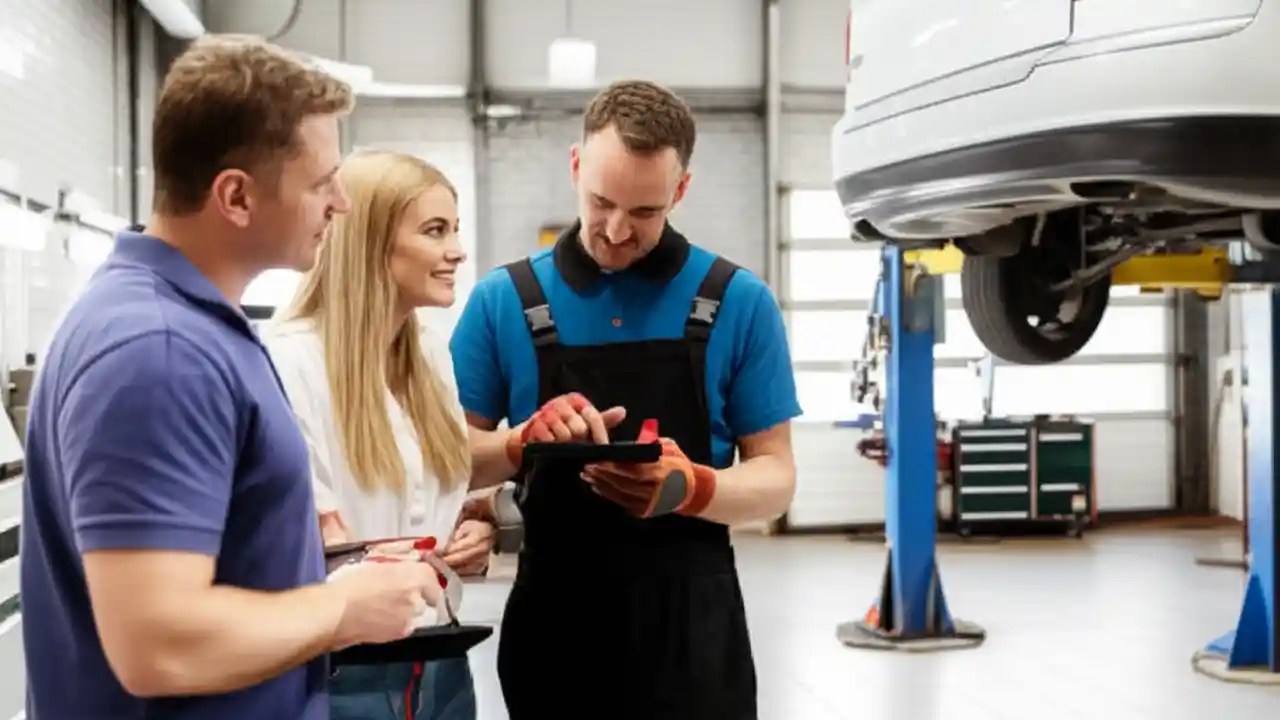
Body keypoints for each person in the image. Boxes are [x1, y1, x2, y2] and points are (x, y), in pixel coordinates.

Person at [19, 35, 443, 720]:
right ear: (237, 196)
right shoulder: (157, 352)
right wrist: (343, 608)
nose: (341, 201)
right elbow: (161, 646)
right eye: (320, 181)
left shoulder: (197, 327)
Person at [449, 79, 803, 719]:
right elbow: (450, 464)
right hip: (555, 627)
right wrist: (495, 480)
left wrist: (692, 488)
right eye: (601, 201)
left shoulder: (738, 301)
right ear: (576, 164)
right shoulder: (502, 302)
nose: (615, 231)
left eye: (645, 212)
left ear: (681, 190)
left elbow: (776, 476)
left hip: (693, 624)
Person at [264, 149, 492, 720]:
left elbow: (423, 502)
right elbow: (300, 539)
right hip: (341, 673)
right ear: (368, 240)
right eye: (435, 231)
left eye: (455, 230)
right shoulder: (288, 362)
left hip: (439, 665)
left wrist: (464, 533)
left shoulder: (430, 355)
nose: (457, 252)